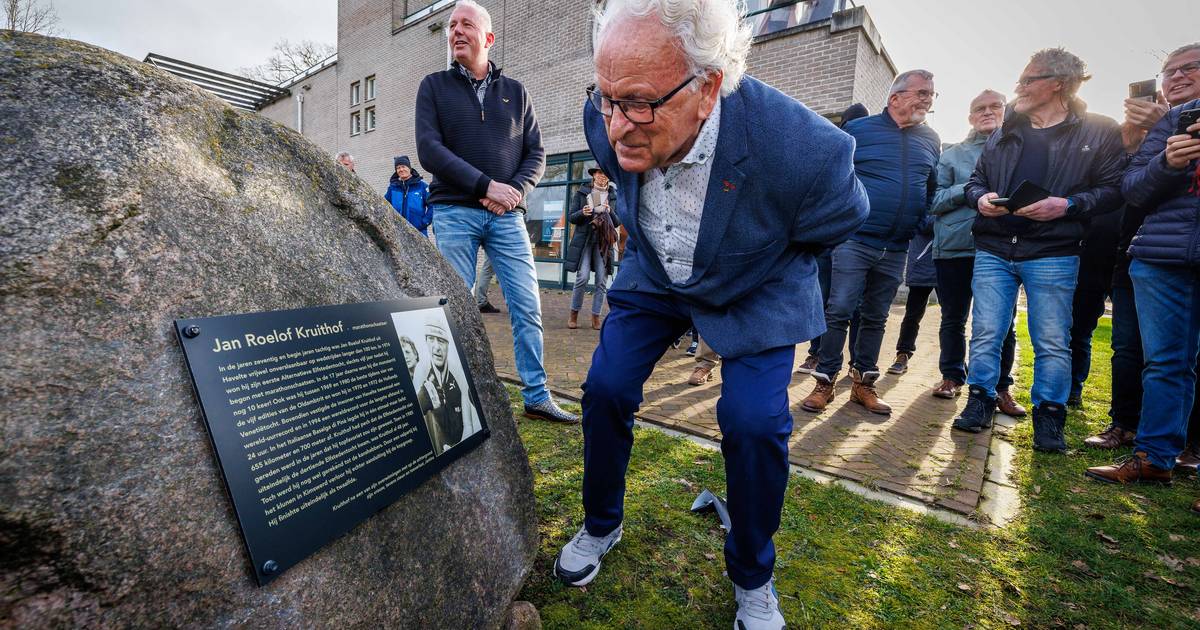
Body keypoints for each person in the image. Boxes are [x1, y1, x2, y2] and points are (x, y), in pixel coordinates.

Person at [551, 2, 868, 627]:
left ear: (708, 86)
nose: (616, 127)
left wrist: (759, 253)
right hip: (657, 271)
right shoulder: (607, 113)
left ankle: (753, 574)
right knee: (605, 389)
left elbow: (842, 218)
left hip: (758, 282)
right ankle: (600, 524)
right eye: (607, 99)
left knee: (752, 423)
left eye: (638, 103)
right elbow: (619, 138)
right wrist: (627, 110)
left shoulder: (803, 147)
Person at [955, 48, 1125, 450]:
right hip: (995, 247)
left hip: (1053, 250)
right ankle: (979, 400)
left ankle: (1049, 417)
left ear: (1059, 83)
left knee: (1051, 339)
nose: (1020, 87)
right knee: (985, 331)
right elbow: (975, 180)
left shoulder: (1099, 130)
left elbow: (1114, 189)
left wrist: (1067, 205)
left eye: (1029, 80)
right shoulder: (1004, 129)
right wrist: (980, 198)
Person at [415, 0, 575, 423]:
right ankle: (452, 399)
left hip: (507, 217)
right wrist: (486, 185)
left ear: (488, 37)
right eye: (452, 25)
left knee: (526, 303)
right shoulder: (433, 86)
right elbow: (429, 151)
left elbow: (536, 153)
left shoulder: (516, 92)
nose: (456, 31)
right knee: (451, 308)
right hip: (454, 213)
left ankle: (537, 396)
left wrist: (513, 192)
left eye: (466, 24)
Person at [1085, 43, 1200, 467]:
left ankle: (1188, 447)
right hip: (1156, 253)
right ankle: (1153, 454)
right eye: (1169, 71)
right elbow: (1131, 189)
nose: (1176, 76)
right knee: (1157, 357)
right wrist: (1166, 159)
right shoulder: (1167, 123)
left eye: (1190, 67)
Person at [801, 70, 941, 415]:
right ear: (895, 98)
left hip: (897, 247)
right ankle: (825, 381)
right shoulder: (858, 131)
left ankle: (864, 384)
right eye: (921, 93)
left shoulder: (931, 139)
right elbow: (833, 180)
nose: (927, 99)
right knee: (839, 311)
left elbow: (931, 188)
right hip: (855, 240)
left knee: (876, 316)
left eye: (931, 95)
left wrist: (920, 221)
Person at [929, 90, 1024, 415]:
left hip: (1002, 249)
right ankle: (951, 377)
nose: (987, 112)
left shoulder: (1021, 148)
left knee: (1002, 324)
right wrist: (970, 191)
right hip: (955, 249)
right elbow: (935, 201)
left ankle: (1000, 388)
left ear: (1006, 110)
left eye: (994, 106)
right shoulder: (952, 154)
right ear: (970, 117)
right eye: (979, 108)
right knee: (953, 318)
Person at [798, 102, 869, 374]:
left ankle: (852, 362)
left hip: (856, 242)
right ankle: (818, 354)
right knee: (825, 301)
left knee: (848, 305)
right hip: (829, 244)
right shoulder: (836, 153)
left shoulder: (869, 156)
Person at [566, 167, 621, 330]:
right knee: (582, 277)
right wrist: (582, 212)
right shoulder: (582, 192)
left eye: (605, 173)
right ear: (594, 176)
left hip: (603, 242)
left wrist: (610, 212)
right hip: (585, 240)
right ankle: (573, 314)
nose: (602, 176)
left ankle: (596, 316)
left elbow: (617, 222)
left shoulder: (613, 196)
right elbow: (571, 217)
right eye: (599, 173)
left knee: (601, 281)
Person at [415, 319, 480, 455]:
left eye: (441, 340)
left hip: (458, 437)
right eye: (431, 339)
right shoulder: (421, 370)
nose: (436, 347)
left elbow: (468, 424)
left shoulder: (457, 371)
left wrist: (461, 448)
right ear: (426, 342)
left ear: (448, 345)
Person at [887, 218, 937, 375]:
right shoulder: (926, 195)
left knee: (953, 321)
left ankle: (955, 366)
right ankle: (903, 354)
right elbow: (923, 223)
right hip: (922, 263)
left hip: (952, 263)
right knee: (912, 315)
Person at [384, 155, 432, 236]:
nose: (401, 170)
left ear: (409, 168)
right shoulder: (393, 188)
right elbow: (384, 205)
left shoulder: (422, 186)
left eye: (403, 166)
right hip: (397, 233)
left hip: (419, 232)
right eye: (398, 168)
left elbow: (432, 206)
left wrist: (423, 223)